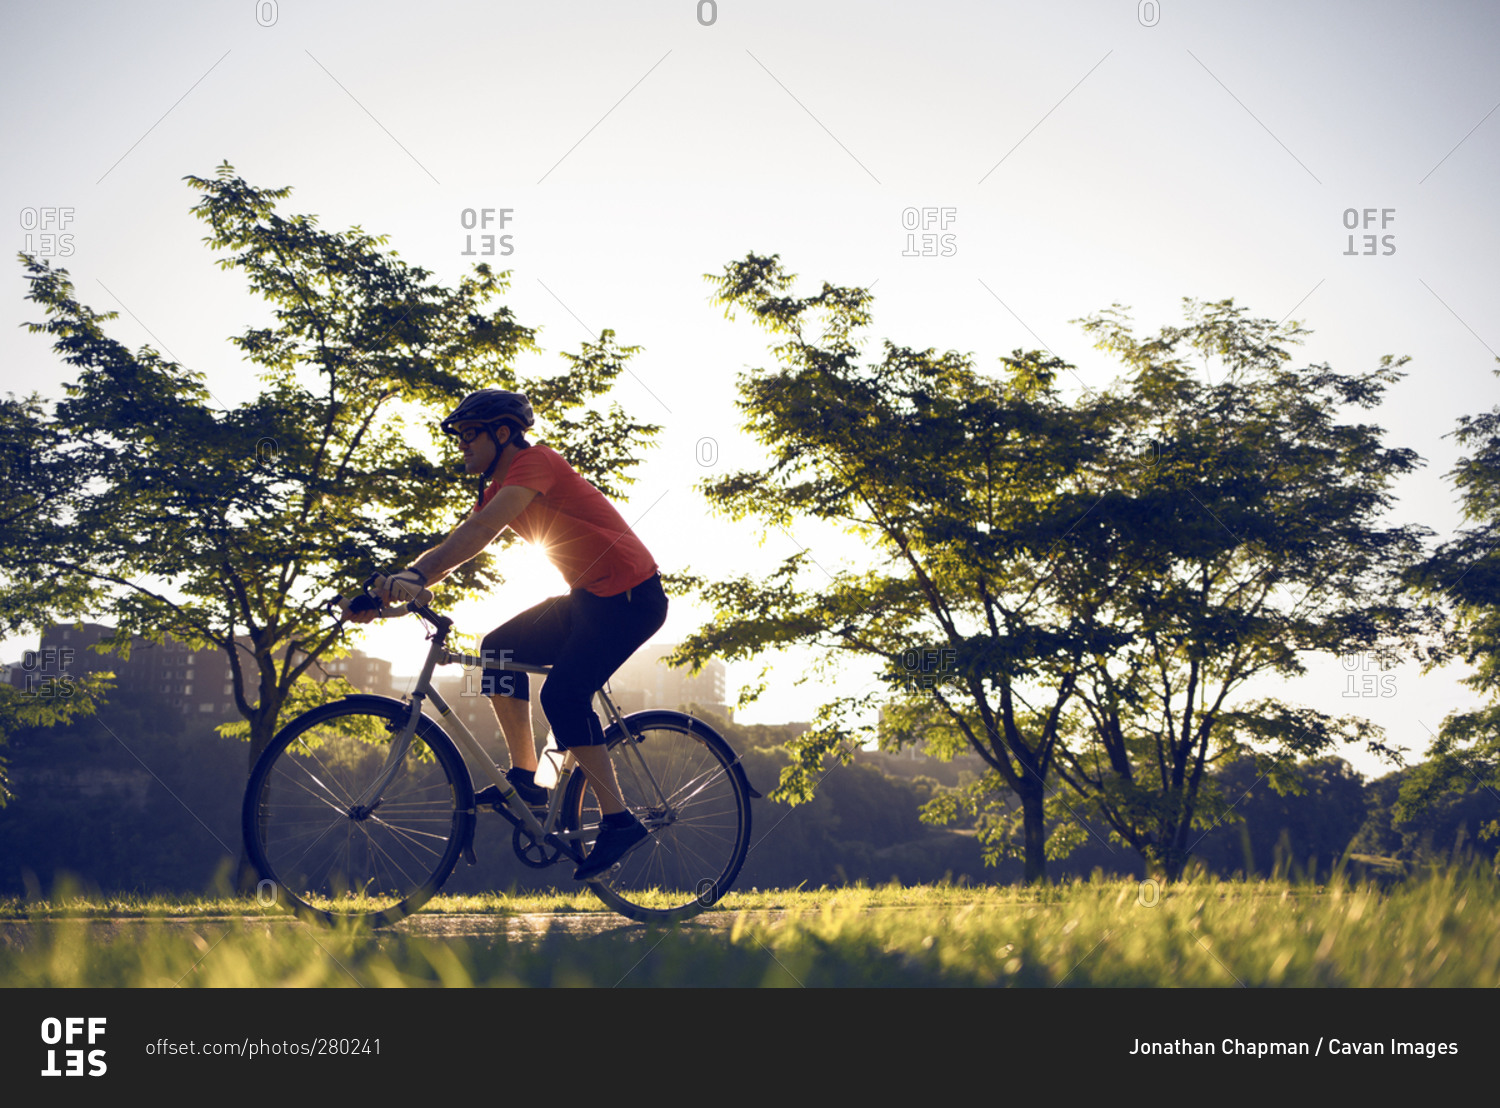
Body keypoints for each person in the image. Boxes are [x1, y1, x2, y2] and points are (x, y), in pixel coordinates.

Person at [342, 388, 668, 881]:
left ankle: (618, 821)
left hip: (630, 599)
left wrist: (417, 579)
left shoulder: (536, 463)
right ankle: (526, 777)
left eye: (469, 436)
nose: (462, 446)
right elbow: (461, 540)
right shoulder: (499, 489)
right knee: (497, 650)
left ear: (502, 433)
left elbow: (481, 533)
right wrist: (391, 588)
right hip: (590, 598)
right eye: (459, 439)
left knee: (563, 695)